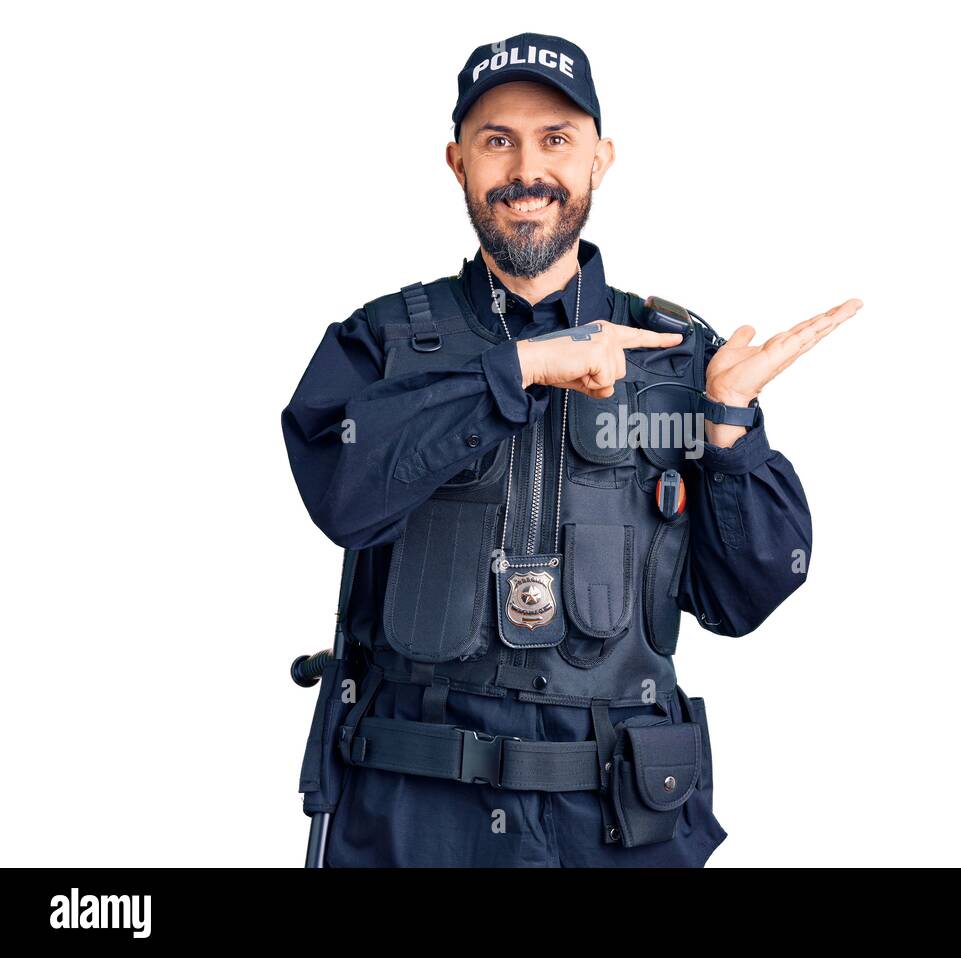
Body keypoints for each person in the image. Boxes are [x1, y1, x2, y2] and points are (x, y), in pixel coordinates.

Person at [282, 31, 860, 867]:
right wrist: (516, 370)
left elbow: (740, 601)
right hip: (413, 820)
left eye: (556, 139)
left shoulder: (678, 360)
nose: (527, 169)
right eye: (497, 140)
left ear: (600, 159)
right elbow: (343, 495)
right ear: (457, 162)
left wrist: (731, 428)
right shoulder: (381, 343)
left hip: (617, 824)